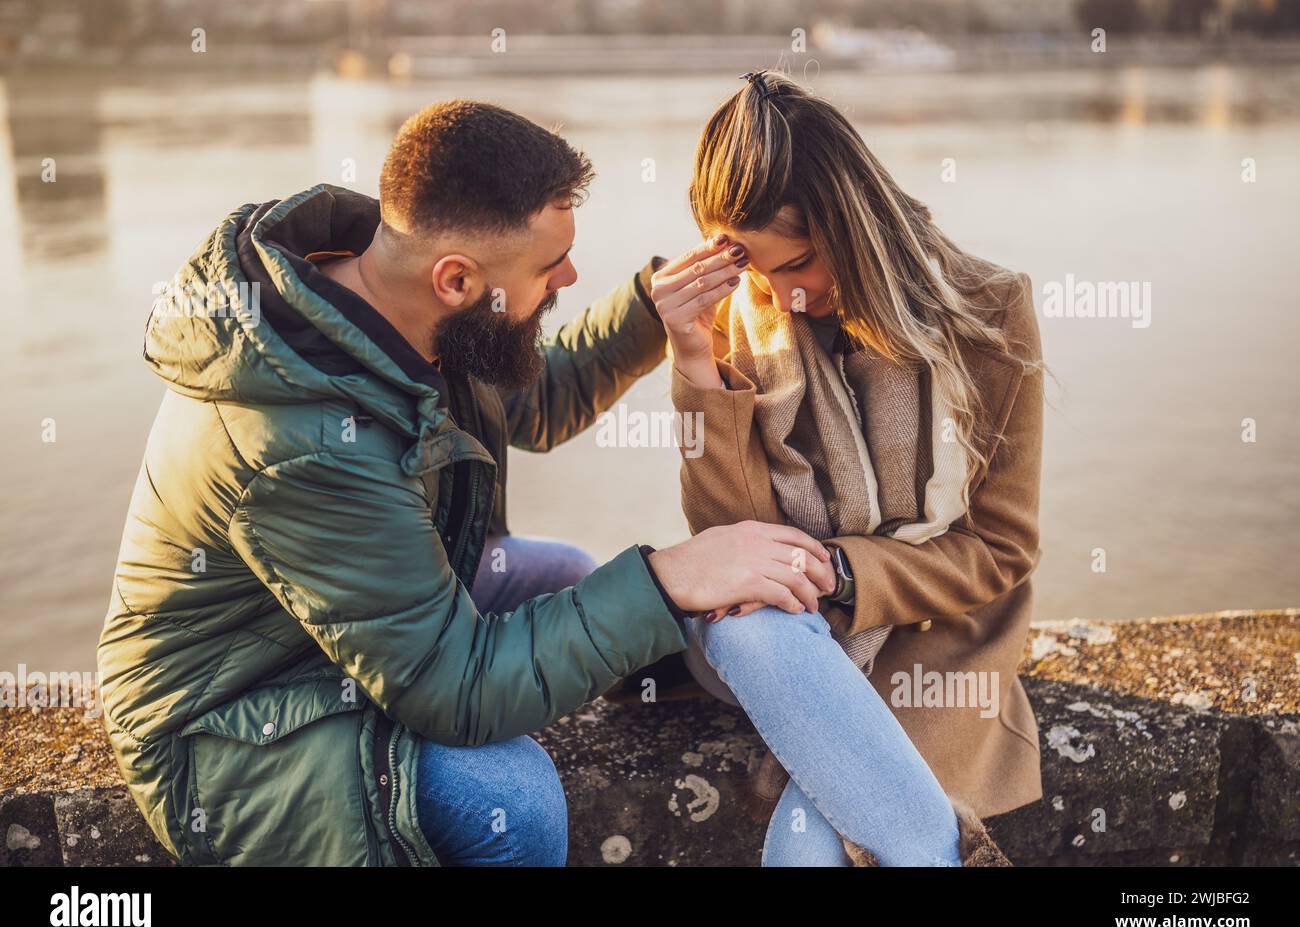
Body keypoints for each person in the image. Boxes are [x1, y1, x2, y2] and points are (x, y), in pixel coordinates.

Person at [96, 99, 835, 867]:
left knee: (561, 574)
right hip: (231, 723)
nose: (570, 277)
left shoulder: (396, 305)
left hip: (335, 633)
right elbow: (453, 691)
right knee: (511, 796)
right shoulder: (308, 442)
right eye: (549, 267)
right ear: (456, 279)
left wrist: (656, 306)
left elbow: (541, 401)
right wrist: (667, 579)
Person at [638, 71, 1047, 866]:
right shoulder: (733, 316)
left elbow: (1002, 548)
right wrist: (692, 363)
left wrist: (845, 571)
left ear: (853, 224)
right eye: (755, 271)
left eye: (799, 264)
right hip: (782, 641)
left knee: (808, 844)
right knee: (751, 625)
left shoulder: (988, 311)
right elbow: (731, 541)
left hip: (932, 638)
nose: (782, 295)